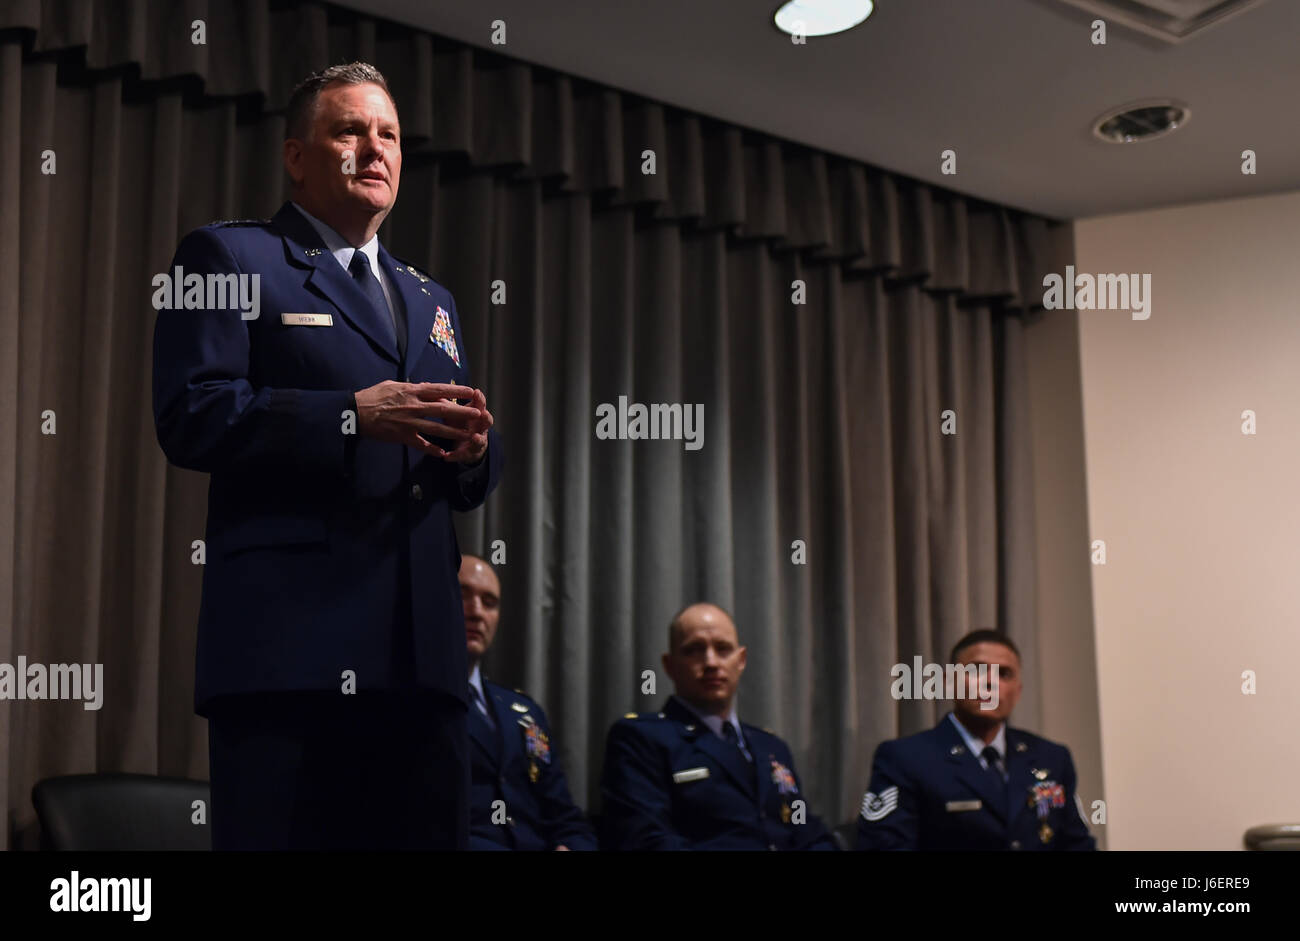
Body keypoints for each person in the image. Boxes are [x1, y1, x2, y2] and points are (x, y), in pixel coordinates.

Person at [152, 62, 502, 850]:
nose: (374, 148)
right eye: (350, 130)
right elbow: (190, 416)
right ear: (297, 156)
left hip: (423, 664)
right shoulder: (229, 258)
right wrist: (348, 415)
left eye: (389, 135)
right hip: (293, 656)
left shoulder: (431, 298)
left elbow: (462, 470)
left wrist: (474, 450)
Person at [600, 603, 838, 850]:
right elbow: (646, 840)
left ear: (741, 660)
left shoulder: (770, 746)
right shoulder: (642, 738)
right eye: (694, 650)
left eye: (723, 649)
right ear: (669, 666)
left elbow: (806, 832)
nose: (711, 662)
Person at [857, 630, 1096, 851]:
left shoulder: (1051, 757)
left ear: (1018, 691)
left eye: (1004, 674)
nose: (990, 682)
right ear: (948, 682)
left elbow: (1077, 845)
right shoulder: (906, 759)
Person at [459, 556, 598, 851]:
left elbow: (564, 815)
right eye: (461, 595)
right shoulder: (410, 702)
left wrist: (572, 846)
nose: (476, 612)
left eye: (490, 602)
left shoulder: (522, 711)